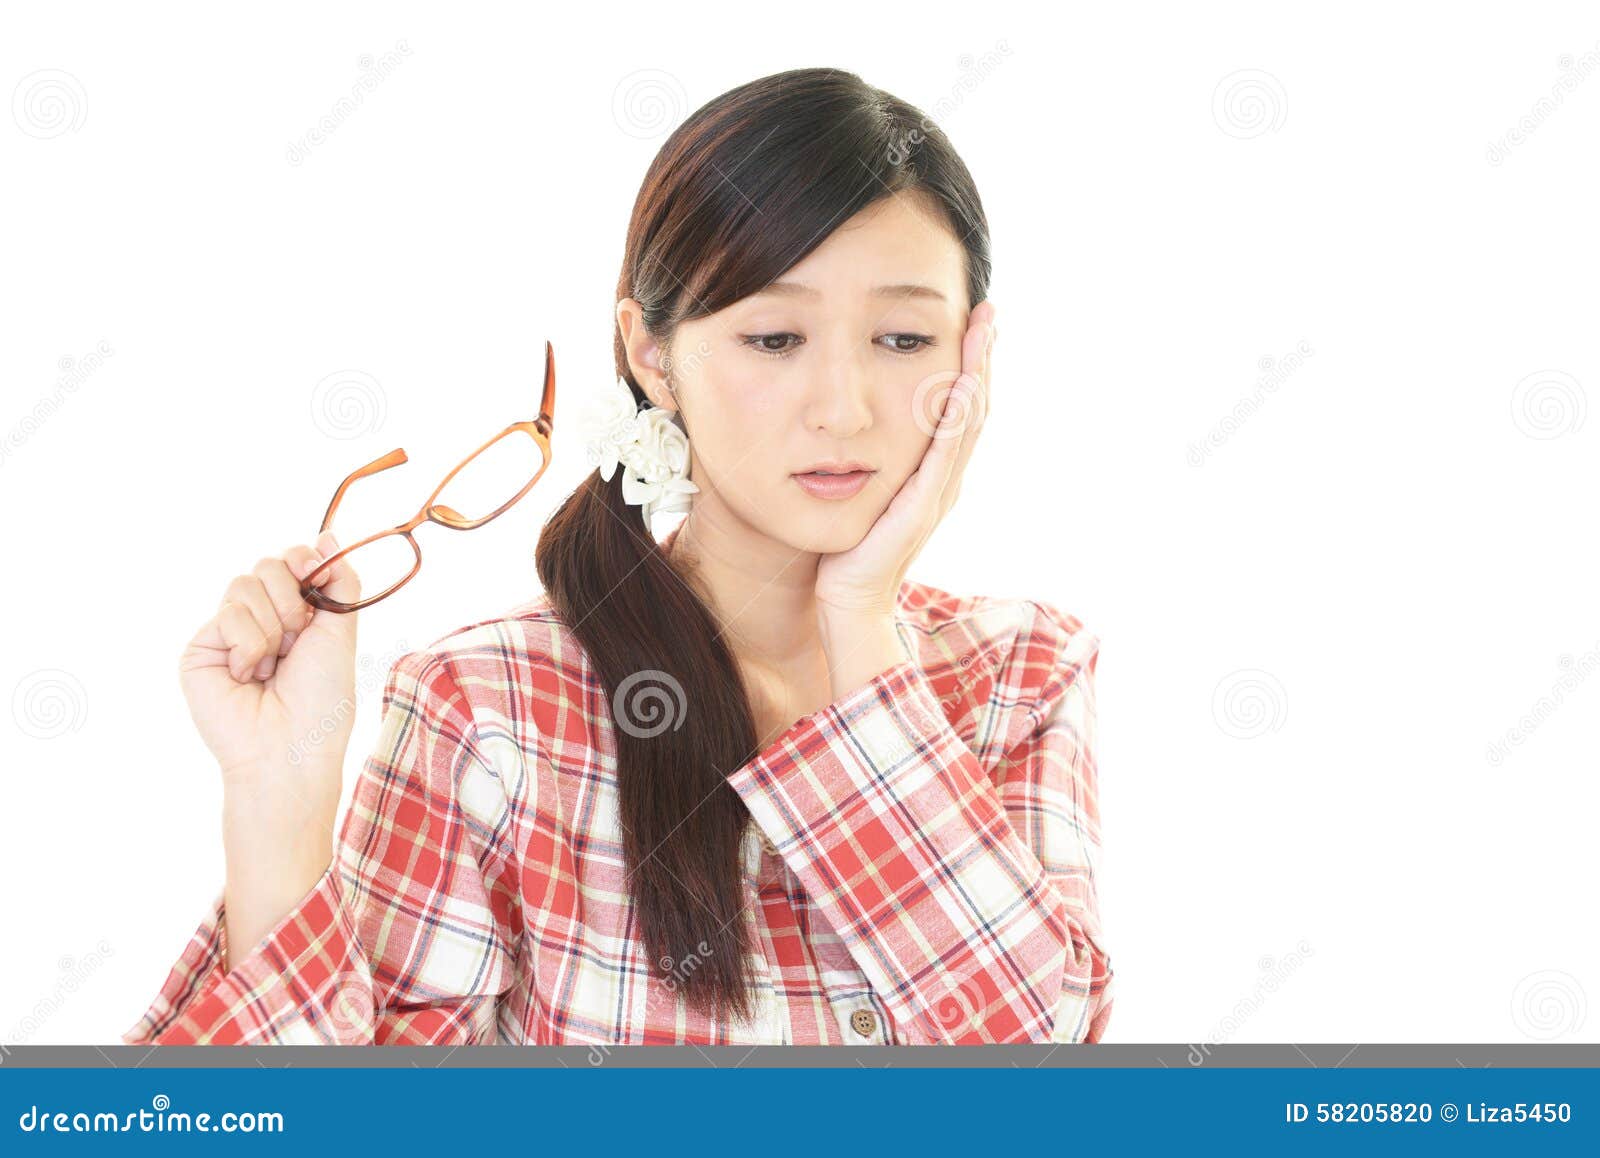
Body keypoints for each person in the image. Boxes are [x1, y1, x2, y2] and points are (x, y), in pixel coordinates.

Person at [123, 66, 1113, 1047]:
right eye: (775, 338)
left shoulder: (1018, 671)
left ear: (972, 355)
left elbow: (1046, 1063)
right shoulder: (492, 710)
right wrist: (279, 809)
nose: (844, 409)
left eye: (902, 339)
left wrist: (859, 623)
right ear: (651, 355)